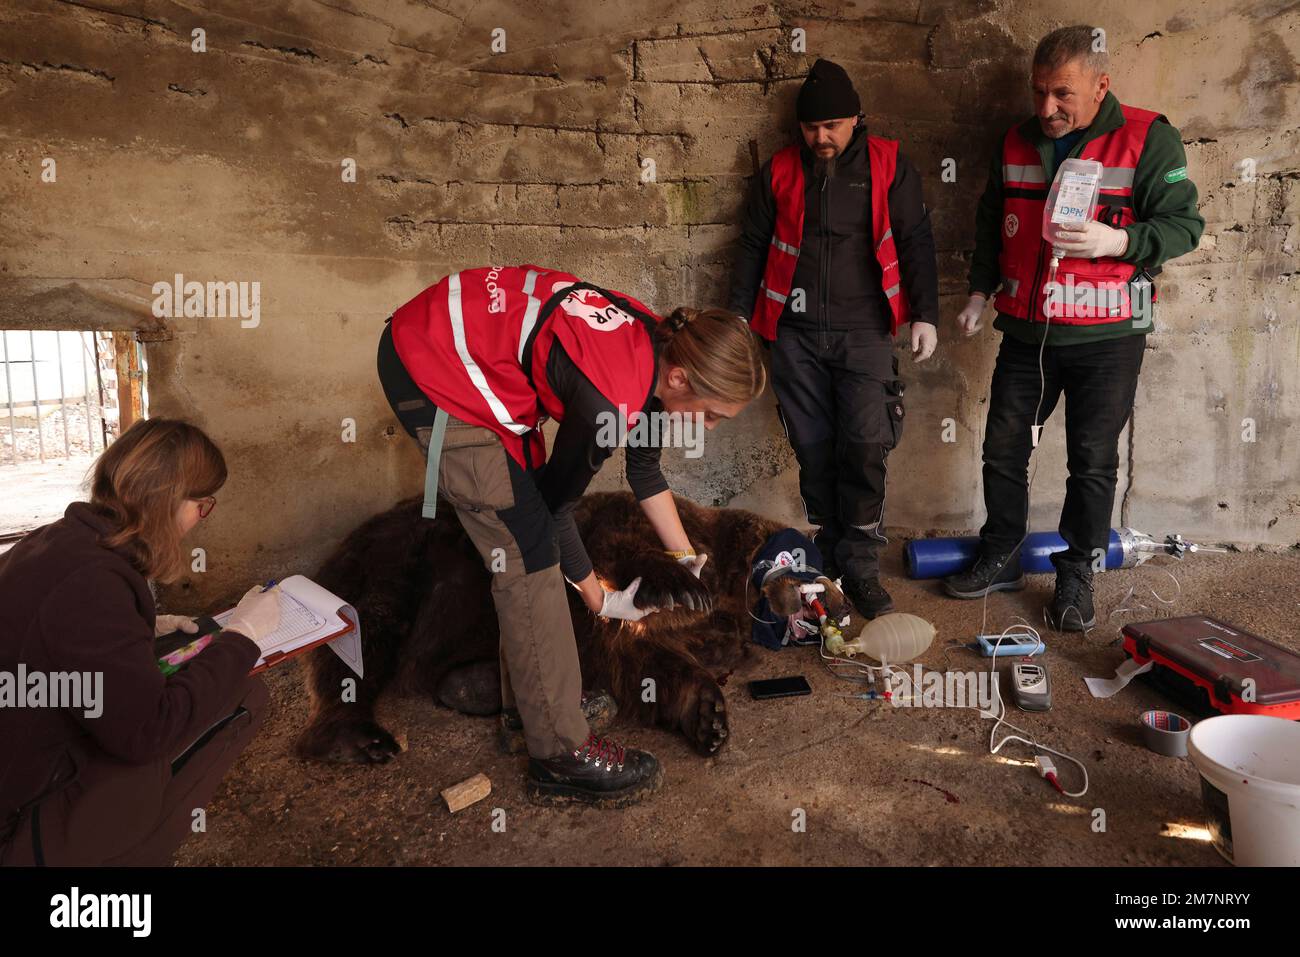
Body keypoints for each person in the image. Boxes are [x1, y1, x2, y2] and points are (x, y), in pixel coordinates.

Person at [379, 265, 766, 806]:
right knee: (526, 552)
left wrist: (684, 556)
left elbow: (646, 472)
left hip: (471, 354)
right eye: (714, 415)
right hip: (433, 368)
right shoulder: (607, 399)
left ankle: (530, 709)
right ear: (681, 379)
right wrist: (603, 599)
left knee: (527, 537)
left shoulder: (661, 343)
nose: (708, 427)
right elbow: (557, 512)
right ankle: (560, 754)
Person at [943, 25, 1204, 629]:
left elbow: (1184, 227)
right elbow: (991, 219)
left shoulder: (1148, 139)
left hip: (1108, 333)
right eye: (1038, 93)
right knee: (1003, 448)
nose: (1046, 108)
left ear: (1100, 85)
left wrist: (1120, 240)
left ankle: (1077, 567)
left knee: (1092, 459)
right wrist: (982, 290)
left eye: (1062, 93)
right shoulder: (1014, 140)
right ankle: (1001, 546)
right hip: (1029, 330)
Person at [0, 418, 281, 865]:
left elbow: (45, 631)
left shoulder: (56, 539)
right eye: (202, 505)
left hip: (24, 743)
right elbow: (147, 732)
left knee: (187, 664)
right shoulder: (93, 584)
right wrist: (244, 636)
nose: (200, 520)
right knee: (244, 694)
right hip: (19, 817)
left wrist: (140, 627)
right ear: (167, 502)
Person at [728, 57, 940, 620]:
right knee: (814, 448)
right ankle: (827, 560)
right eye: (811, 128)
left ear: (856, 120)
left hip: (866, 331)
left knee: (866, 446)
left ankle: (863, 567)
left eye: (832, 127)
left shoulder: (889, 165)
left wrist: (926, 313)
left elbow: (916, 238)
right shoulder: (778, 171)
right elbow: (751, 245)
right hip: (794, 335)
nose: (821, 138)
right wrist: (736, 322)